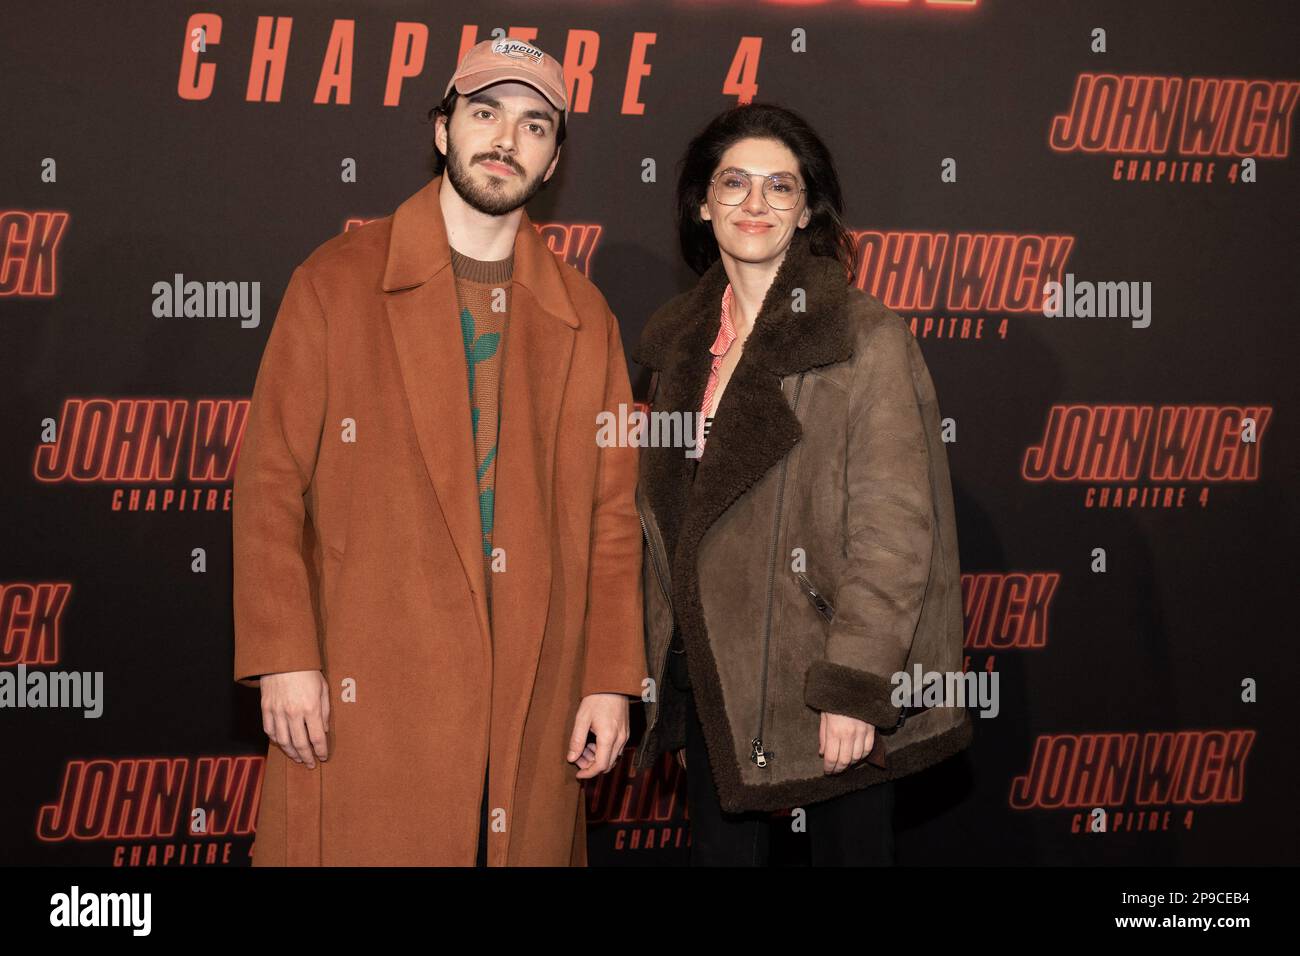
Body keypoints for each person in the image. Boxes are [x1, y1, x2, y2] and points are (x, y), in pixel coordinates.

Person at [232, 38, 646, 866]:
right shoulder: (337, 281)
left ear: (554, 155)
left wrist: (609, 677)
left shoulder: (586, 316)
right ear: (442, 127)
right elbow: (271, 480)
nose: (506, 139)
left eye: (534, 125)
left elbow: (612, 515)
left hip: (530, 700)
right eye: (485, 113)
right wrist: (284, 656)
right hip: (367, 687)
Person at [631, 103, 972, 866]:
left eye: (779, 187)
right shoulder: (674, 347)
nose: (754, 204)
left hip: (822, 690)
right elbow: (667, 529)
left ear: (808, 206)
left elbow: (893, 529)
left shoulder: (862, 334)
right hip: (717, 689)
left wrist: (853, 685)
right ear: (702, 201)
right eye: (735, 183)